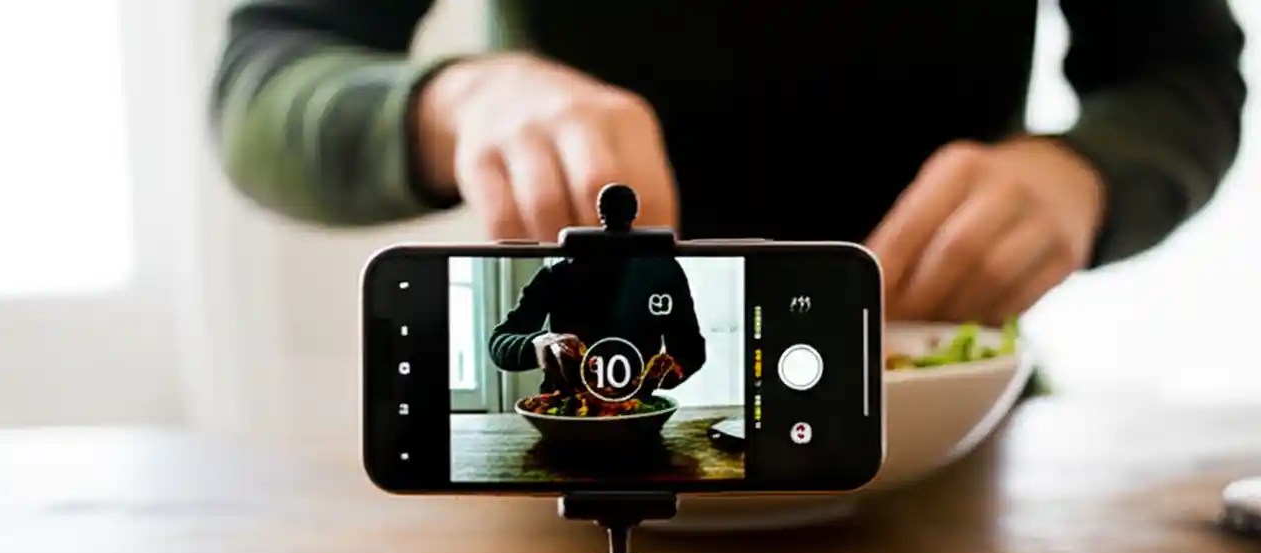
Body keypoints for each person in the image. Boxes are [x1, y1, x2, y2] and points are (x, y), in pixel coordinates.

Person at [210, 2, 1245, 327]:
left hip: (943, 450)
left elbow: (1181, 71)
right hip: (574, 447)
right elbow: (266, 72)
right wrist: (453, 104)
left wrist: (1085, 173)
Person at [489, 256, 706, 394]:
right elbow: (498, 342)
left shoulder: (663, 272)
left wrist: (668, 373)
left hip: (637, 415)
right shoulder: (556, 275)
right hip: (565, 415)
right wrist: (538, 344)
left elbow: (691, 351)